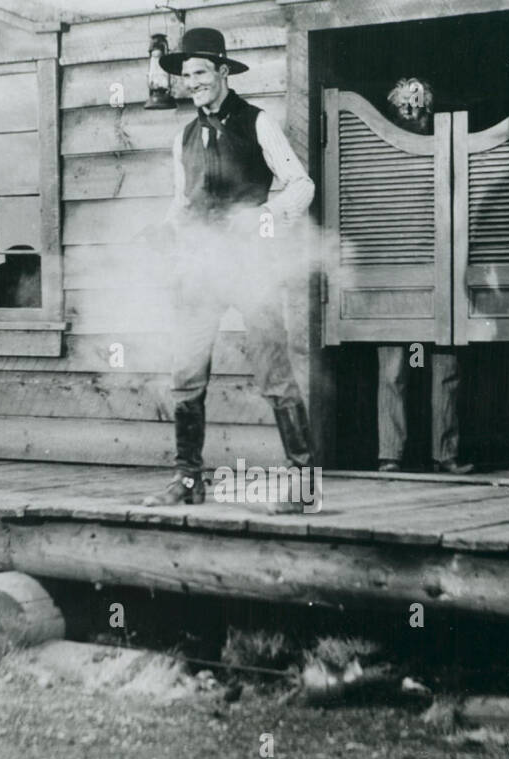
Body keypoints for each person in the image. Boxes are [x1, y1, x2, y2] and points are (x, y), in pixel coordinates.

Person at [142, 27, 318, 513]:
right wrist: (162, 231)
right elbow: (183, 202)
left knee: (275, 376)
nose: (192, 82)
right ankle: (187, 479)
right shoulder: (183, 137)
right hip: (200, 267)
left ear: (222, 71)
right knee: (186, 374)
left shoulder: (258, 123)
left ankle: (305, 486)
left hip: (251, 265)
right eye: (186, 75)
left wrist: (266, 217)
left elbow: (301, 185)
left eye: (201, 72)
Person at [376, 77, 473, 474]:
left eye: (420, 108)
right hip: (396, 275)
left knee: (444, 365)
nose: (414, 116)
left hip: (443, 274)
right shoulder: (378, 160)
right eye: (405, 108)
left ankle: (444, 455)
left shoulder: (447, 155)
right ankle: (389, 455)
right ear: (392, 113)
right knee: (394, 367)